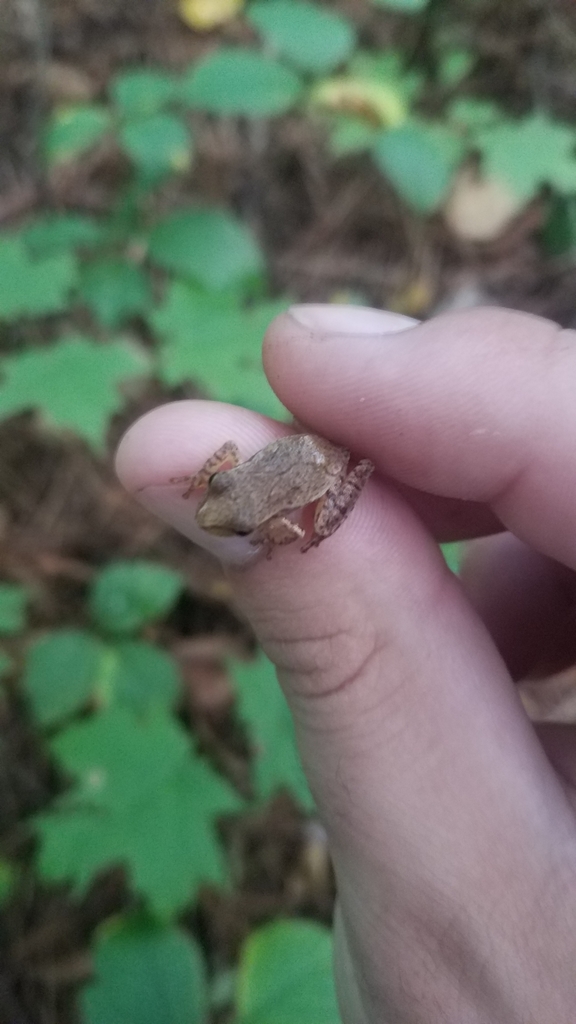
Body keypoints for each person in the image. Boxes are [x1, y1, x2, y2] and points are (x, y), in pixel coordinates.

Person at [116, 305, 576, 1023]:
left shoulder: (248, 508)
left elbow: (256, 509)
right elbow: (224, 471)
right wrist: (216, 493)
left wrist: (264, 525)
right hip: (299, 459)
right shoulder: (229, 488)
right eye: (216, 500)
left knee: (317, 543)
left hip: (321, 469)